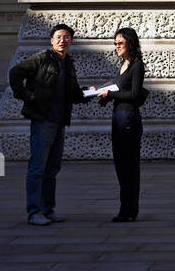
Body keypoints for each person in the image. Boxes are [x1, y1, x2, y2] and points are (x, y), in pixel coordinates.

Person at [8, 23, 92, 225]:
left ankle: (48, 209)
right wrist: (26, 95)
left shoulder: (68, 63)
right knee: (37, 168)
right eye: (59, 37)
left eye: (67, 37)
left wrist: (89, 92)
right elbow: (15, 73)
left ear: (71, 41)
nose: (63, 40)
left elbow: (73, 94)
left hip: (59, 121)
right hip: (43, 119)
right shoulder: (43, 58)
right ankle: (34, 212)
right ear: (52, 40)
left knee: (52, 169)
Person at [97, 27, 147, 222]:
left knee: (129, 165)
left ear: (130, 44)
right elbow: (117, 88)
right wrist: (101, 94)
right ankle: (126, 208)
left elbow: (133, 95)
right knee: (120, 164)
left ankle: (129, 210)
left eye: (120, 43)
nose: (116, 46)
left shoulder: (136, 65)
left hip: (129, 119)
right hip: (118, 117)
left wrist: (109, 94)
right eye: (115, 43)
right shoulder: (123, 65)